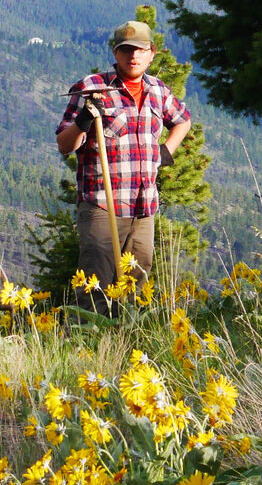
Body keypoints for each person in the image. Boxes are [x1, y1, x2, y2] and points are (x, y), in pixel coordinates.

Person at [55, 19, 192, 293]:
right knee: (95, 287)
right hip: (103, 206)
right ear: (115, 52)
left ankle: (128, 336)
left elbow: (182, 121)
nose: (134, 56)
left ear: (152, 53)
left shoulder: (158, 90)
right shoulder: (92, 87)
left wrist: (165, 151)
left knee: (136, 287)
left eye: (141, 50)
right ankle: (89, 335)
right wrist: (84, 119)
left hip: (144, 208)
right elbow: (64, 145)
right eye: (126, 49)